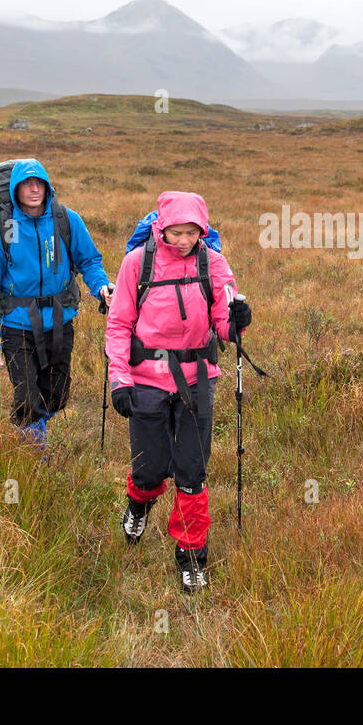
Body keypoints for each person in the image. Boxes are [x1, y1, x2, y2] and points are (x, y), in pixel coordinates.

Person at [104, 190, 252, 593]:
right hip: (146, 378)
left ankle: (190, 556)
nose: (184, 240)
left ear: (202, 231)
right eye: (177, 232)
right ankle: (139, 502)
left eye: (192, 232)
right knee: (150, 469)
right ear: (161, 227)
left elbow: (223, 325)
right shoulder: (137, 262)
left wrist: (237, 323)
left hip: (198, 379)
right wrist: (120, 378)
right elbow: (118, 325)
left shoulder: (213, 263)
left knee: (191, 472)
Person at [0, 159, 111, 455]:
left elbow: (89, 260)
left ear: (48, 186)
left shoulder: (66, 219)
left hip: (60, 321)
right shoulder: (4, 227)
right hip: (16, 325)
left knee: (57, 395)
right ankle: (36, 456)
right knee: (26, 397)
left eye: (39, 182)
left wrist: (101, 287)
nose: (34, 189)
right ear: (15, 189)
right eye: (26, 184)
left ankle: (27, 428)